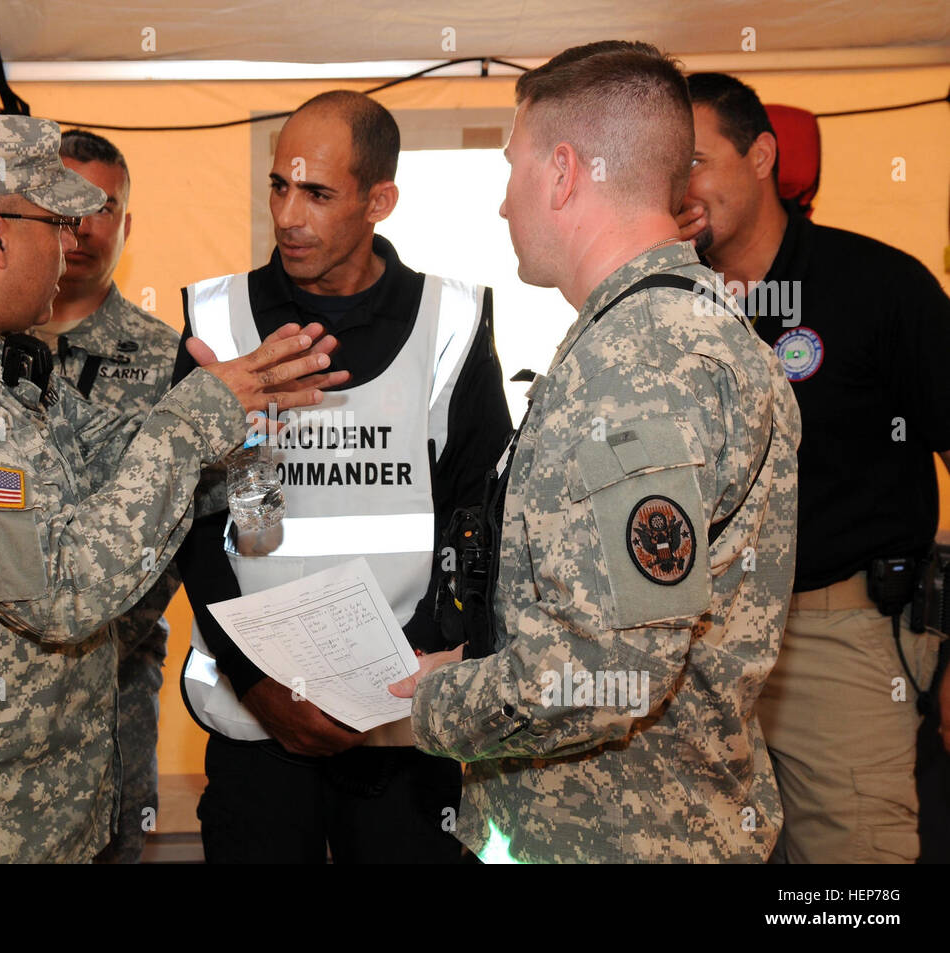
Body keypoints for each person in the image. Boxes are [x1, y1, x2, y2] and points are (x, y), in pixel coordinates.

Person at [0, 106, 346, 863]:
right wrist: (187, 424)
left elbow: (99, 478)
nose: (70, 247)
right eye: (55, 225)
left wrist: (216, 409)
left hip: (28, 818)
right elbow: (65, 591)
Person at [390, 41, 802, 863]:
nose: (505, 206)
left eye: (513, 169)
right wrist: (477, 657)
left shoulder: (638, 364)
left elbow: (618, 663)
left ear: (563, 173)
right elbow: (603, 616)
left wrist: (439, 703)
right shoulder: (655, 333)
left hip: (619, 837)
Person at [174, 90, 512, 863]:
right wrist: (261, 686)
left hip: (399, 719)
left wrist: (395, 681)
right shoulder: (217, 317)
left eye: (318, 193)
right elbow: (188, 523)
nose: (288, 214)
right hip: (256, 716)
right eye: (278, 185)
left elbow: (476, 518)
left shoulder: (451, 320)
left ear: (379, 200)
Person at [677, 71, 950, 863]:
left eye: (696, 160)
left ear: (762, 156)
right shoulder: (666, 304)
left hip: (835, 637)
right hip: (695, 647)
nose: (680, 186)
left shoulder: (879, 286)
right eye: (668, 168)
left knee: (848, 884)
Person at [31, 130, 179, 864]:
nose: (84, 227)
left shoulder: (169, 361)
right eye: (66, 207)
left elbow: (205, 530)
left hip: (113, 705)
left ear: (127, 224)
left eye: (104, 208)